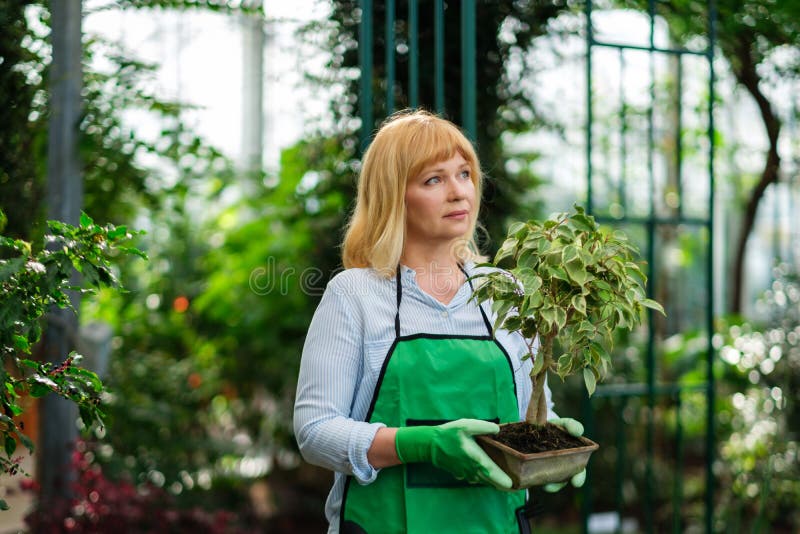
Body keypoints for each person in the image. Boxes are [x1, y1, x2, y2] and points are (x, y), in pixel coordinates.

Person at [293, 110, 583, 534]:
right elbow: (315, 432)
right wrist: (422, 445)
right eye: (434, 180)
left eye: (464, 174)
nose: (458, 193)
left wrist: (554, 435)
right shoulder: (354, 295)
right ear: (394, 197)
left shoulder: (505, 292)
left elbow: (529, 408)